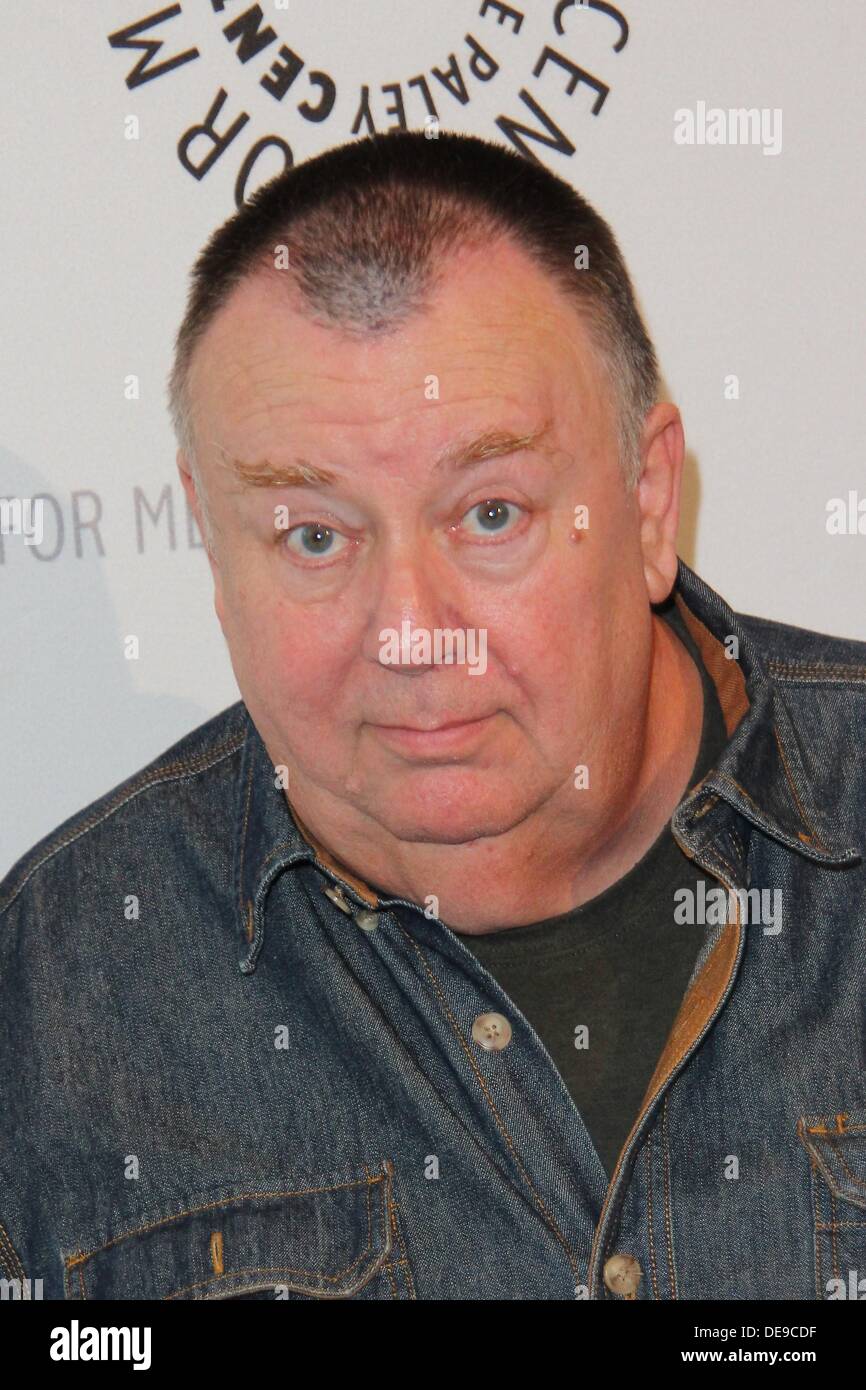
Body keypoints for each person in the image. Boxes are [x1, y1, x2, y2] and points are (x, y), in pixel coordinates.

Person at [1, 130, 864, 1302]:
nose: (409, 633)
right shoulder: (52, 990)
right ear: (210, 538)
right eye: (314, 535)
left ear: (647, 497)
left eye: (490, 513)